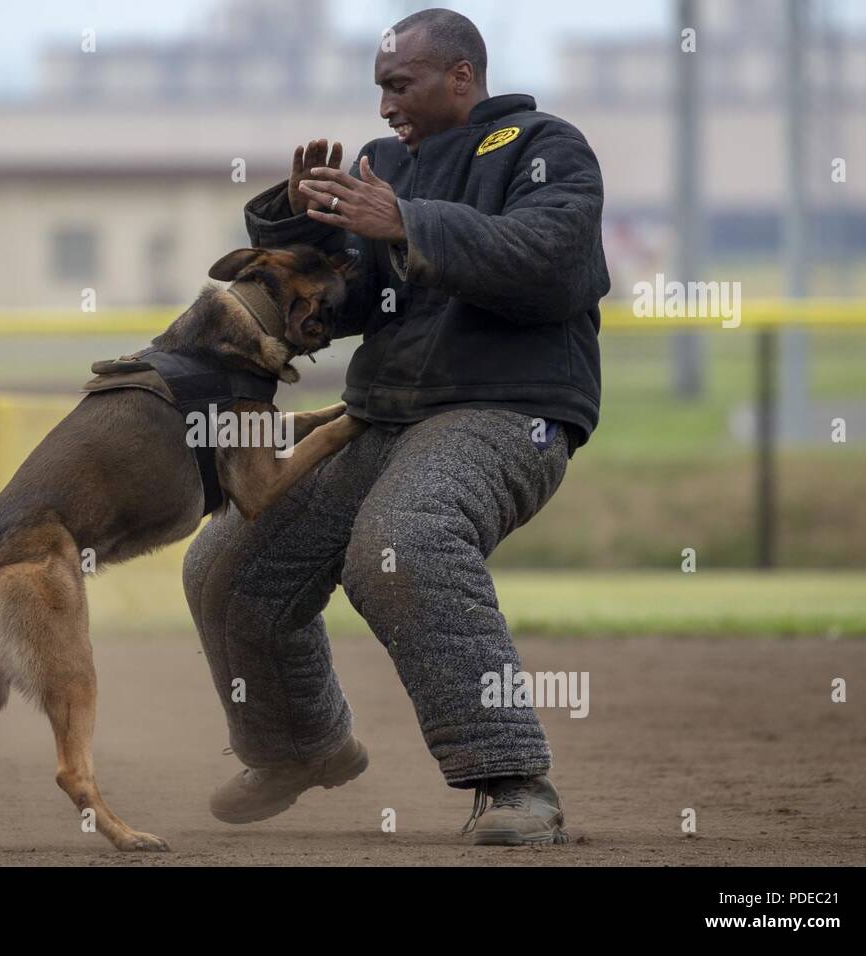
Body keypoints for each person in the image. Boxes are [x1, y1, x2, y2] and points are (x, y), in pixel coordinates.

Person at [183, 8, 608, 845]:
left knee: (404, 542)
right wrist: (299, 229)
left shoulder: (543, 146)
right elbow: (342, 303)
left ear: (461, 76)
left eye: (398, 85)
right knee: (228, 561)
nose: (382, 108)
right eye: (377, 88)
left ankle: (516, 784)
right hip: (382, 417)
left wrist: (407, 222)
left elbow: (553, 264)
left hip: (507, 413)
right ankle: (299, 746)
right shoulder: (383, 167)